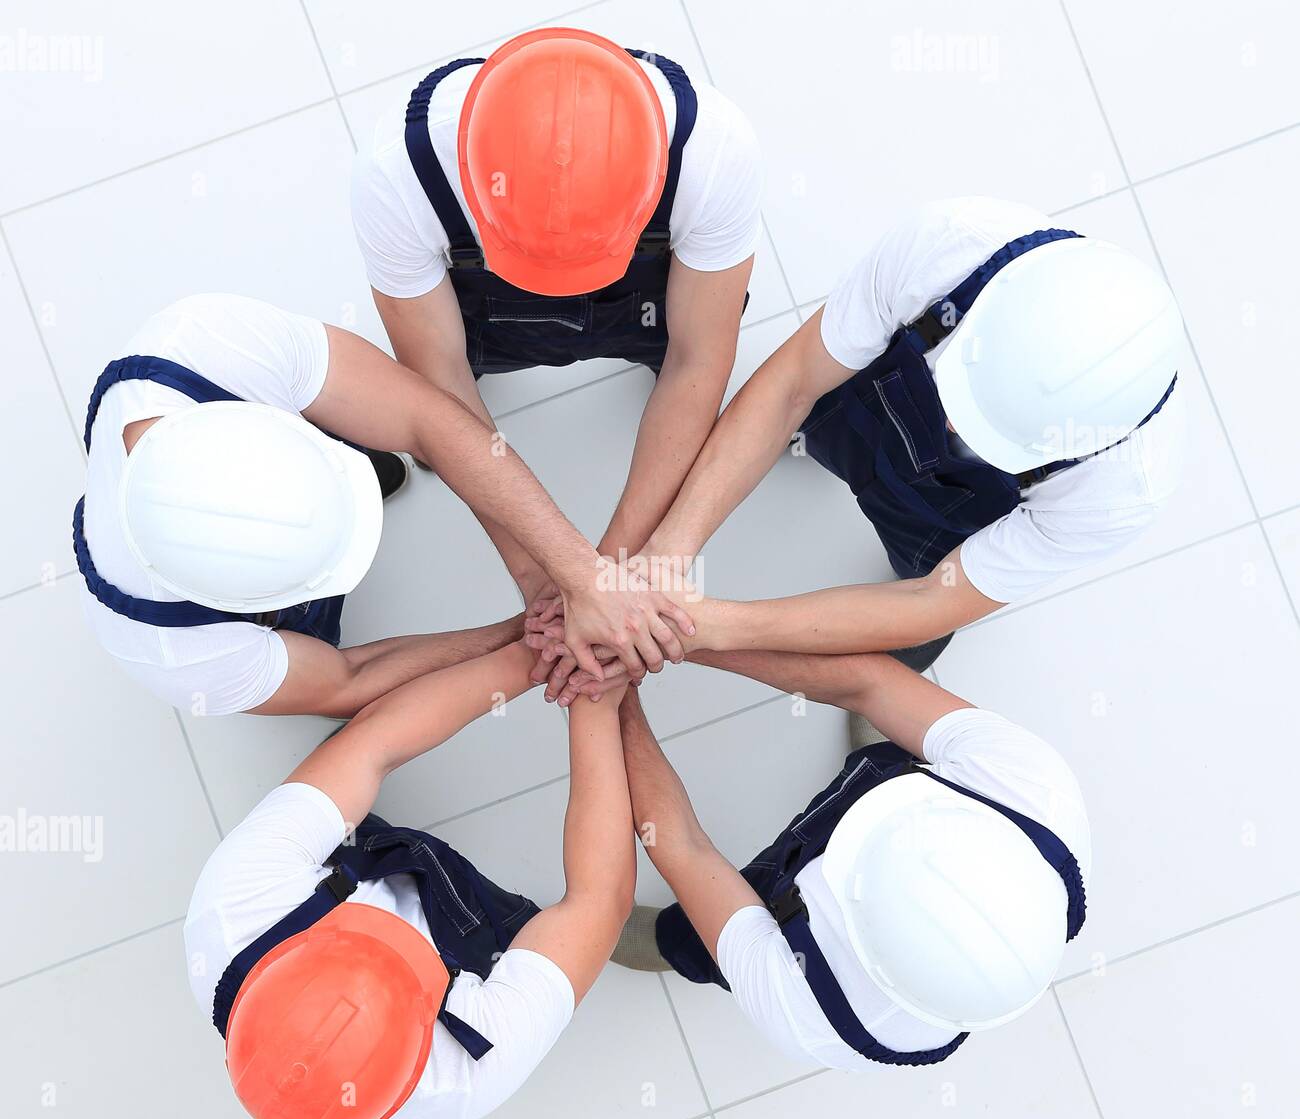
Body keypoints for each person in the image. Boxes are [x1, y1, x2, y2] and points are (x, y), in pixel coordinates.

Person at [622, 196, 1184, 721]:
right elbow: (793, 385)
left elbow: (931, 597)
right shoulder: (950, 250)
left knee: (908, 635)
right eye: (966, 392)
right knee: (803, 425)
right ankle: (803, 446)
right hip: (854, 413)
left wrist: (712, 626)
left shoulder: (1122, 491)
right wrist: (669, 552)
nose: (953, 427)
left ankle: (881, 703)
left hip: (941, 536)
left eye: (993, 433)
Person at [74, 292, 692, 718]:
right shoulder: (179, 655)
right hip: (254, 624)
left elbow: (429, 421)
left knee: (397, 417)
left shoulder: (204, 347)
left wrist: (570, 574)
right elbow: (349, 679)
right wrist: (525, 632)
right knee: (311, 676)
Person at [351, 26, 761, 609]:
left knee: (682, 370)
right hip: (488, 325)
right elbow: (438, 374)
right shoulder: (398, 176)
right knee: (440, 412)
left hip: (647, 310)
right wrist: (543, 575)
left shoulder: (714, 151)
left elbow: (698, 355)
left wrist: (613, 568)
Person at [184, 635, 635, 1119]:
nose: (398, 940)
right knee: (578, 930)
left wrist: (537, 659)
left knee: (357, 752)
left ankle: (334, 798)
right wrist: (596, 694)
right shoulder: (463, 1074)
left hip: (345, 869)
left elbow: (374, 743)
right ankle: (556, 954)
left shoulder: (235, 907)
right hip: (471, 954)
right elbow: (600, 899)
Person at [609, 647, 1089, 1071]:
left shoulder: (806, 1010)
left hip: (782, 907)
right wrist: (675, 639)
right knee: (889, 728)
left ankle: (673, 942)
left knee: (705, 937)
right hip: (899, 782)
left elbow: (684, 846)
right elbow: (868, 683)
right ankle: (886, 748)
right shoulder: (1033, 791)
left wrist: (618, 698)